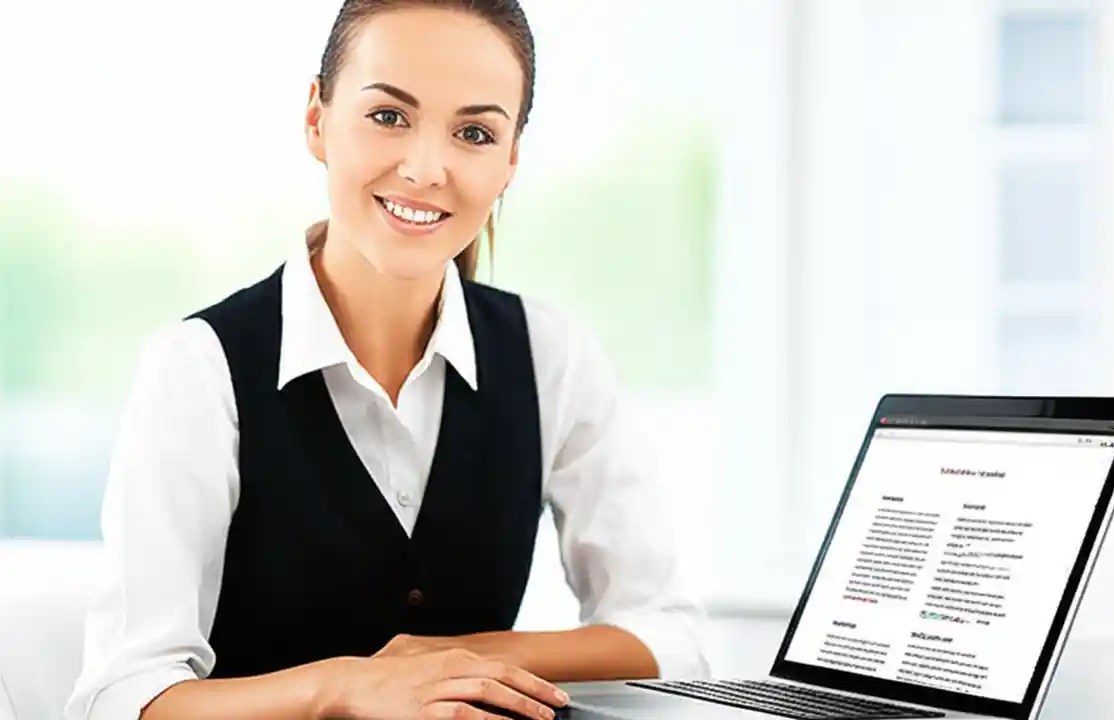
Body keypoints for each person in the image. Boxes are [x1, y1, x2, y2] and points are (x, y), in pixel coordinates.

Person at [64, 1, 708, 718]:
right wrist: (343, 686)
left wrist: (458, 660)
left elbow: (670, 637)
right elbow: (123, 699)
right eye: (389, 116)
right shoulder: (199, 369)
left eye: (474, 133)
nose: (426, 169)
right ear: (317, 119)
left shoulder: (551, 355)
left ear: (510, 162)